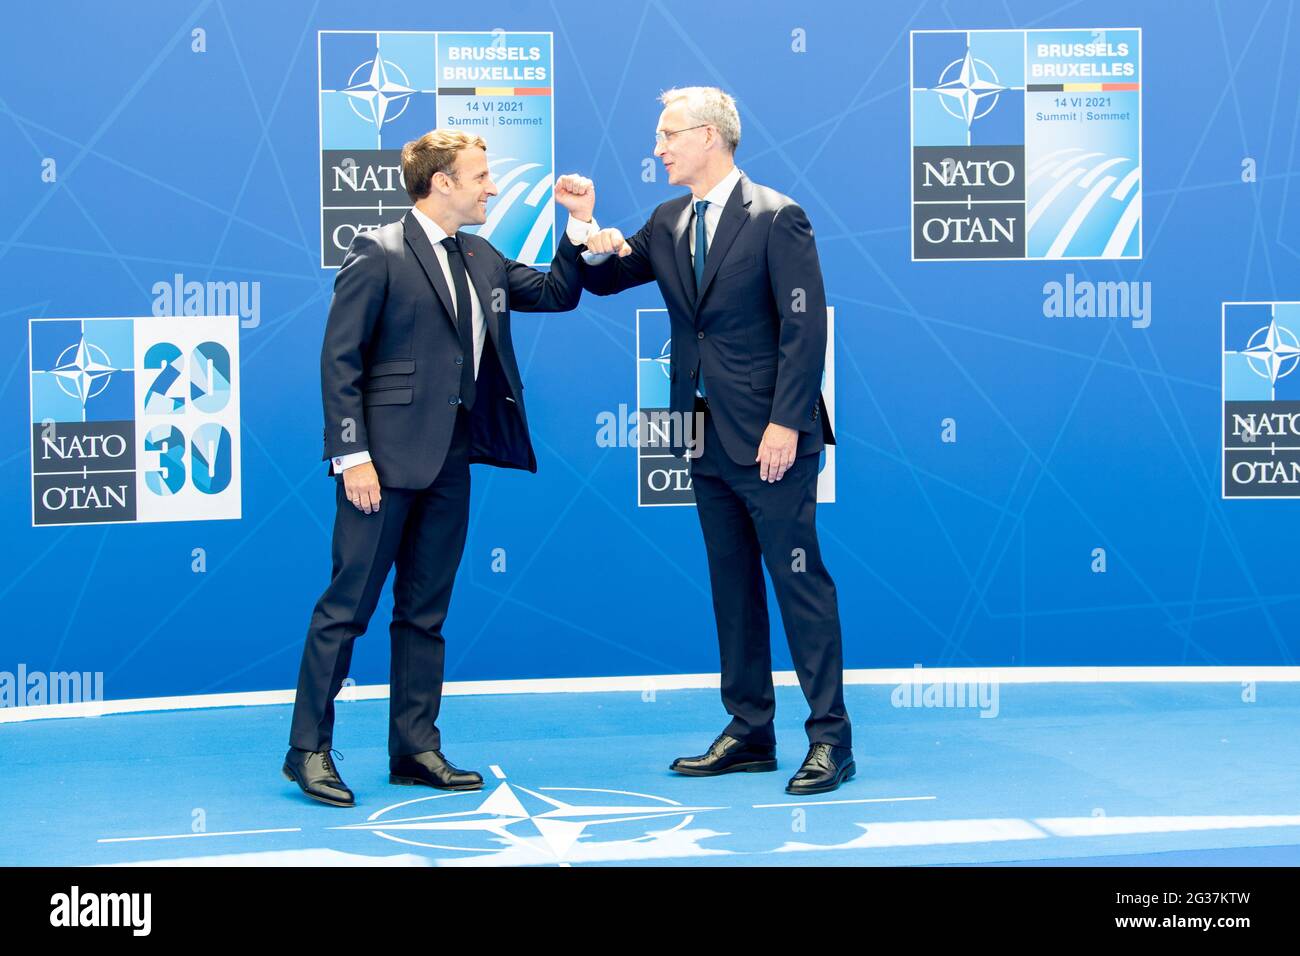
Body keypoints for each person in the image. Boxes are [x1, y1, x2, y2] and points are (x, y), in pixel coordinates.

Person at [283, 129, 597, 806]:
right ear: (442, 183)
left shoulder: (482, 256)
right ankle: (307, 750)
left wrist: (577, 227)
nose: (492, 186)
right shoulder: (378, 251)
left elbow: (556, 293)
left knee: (425, 614)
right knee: (346, 610)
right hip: (380, 466)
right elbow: (340, 362)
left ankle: (415, 748)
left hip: (451, 462)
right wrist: (352, 455)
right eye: (481, 176)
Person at [572, 87, 853, 794]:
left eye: (668, 134)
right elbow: (606, 280)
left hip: (771, 439)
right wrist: (584, 229)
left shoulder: (778, 217)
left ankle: (831, 740)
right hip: (701, 435)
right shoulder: (668, 220)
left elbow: (804, 327)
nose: (658, 147)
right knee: (732, 586)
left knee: (798, 582)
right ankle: (750, 730)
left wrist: (786, 422)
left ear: (711, 137)